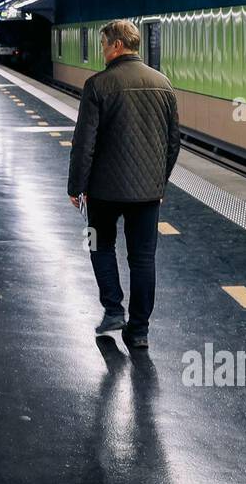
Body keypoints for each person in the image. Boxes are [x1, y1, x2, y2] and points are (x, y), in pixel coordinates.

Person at [67, 20, 181, 349]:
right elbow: (174, 143)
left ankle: (114, 309)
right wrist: (159, 183)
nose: (102, 51)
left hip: (103, 192)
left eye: (103, 45)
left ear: (117, 45)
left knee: (99, 245)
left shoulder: (98, 86)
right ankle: (140, 330)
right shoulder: (163, 84)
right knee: (143, 259)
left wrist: (76, 186)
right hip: (147, 194)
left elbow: (84, 142)